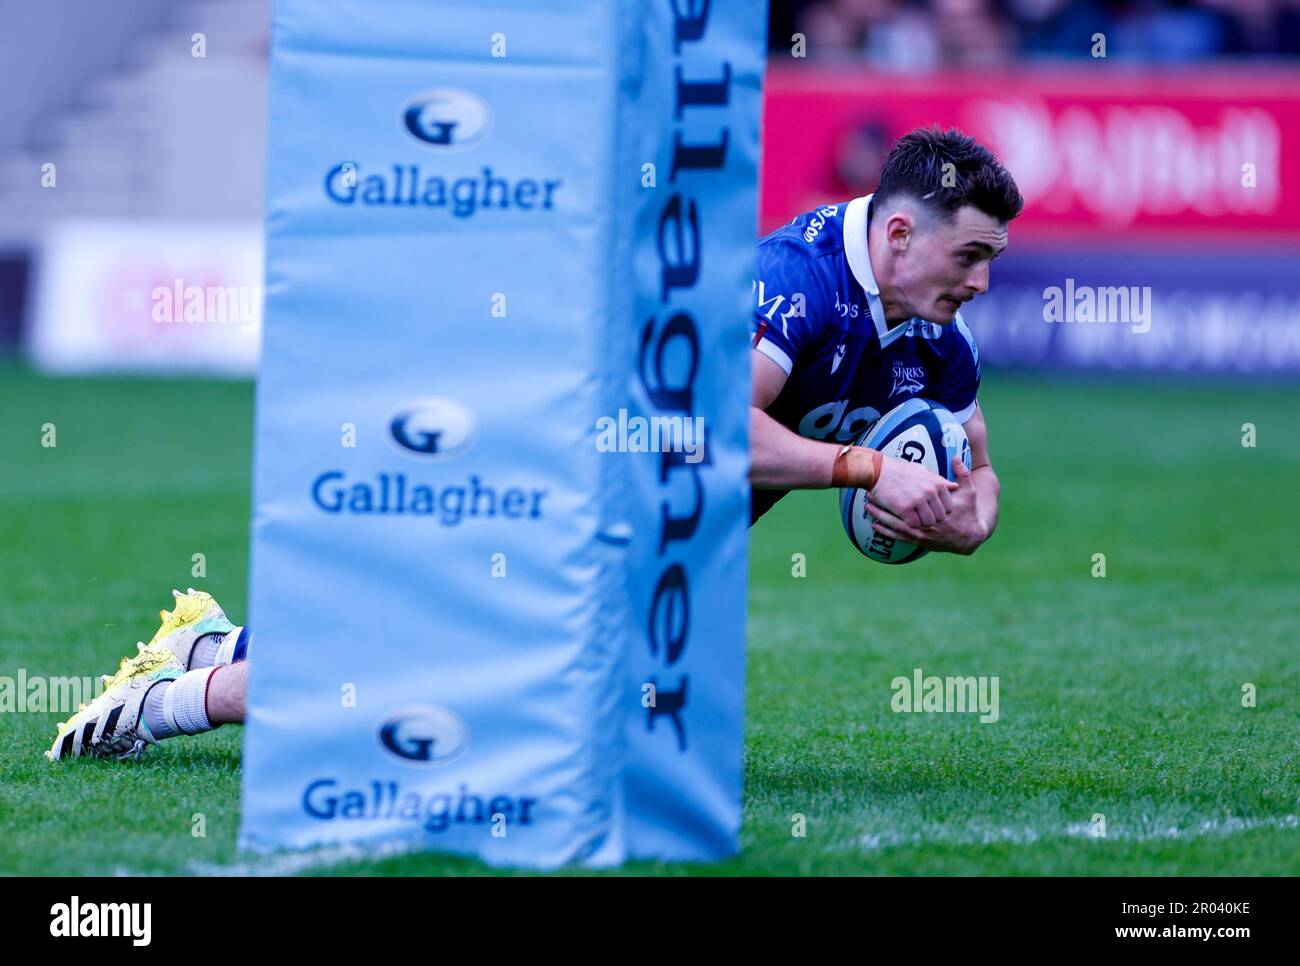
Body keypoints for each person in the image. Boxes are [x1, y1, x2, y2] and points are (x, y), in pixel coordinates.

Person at [47, 125, 1022, 762]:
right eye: (969, 254)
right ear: (897, 237)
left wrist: (950, 517)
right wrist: (861, 468)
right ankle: (168, 704)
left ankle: (208, 646)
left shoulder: (937, 333)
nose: (980, 280)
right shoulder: (795, 280)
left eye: (990, 259)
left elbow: (976, 476)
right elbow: (712, 434)